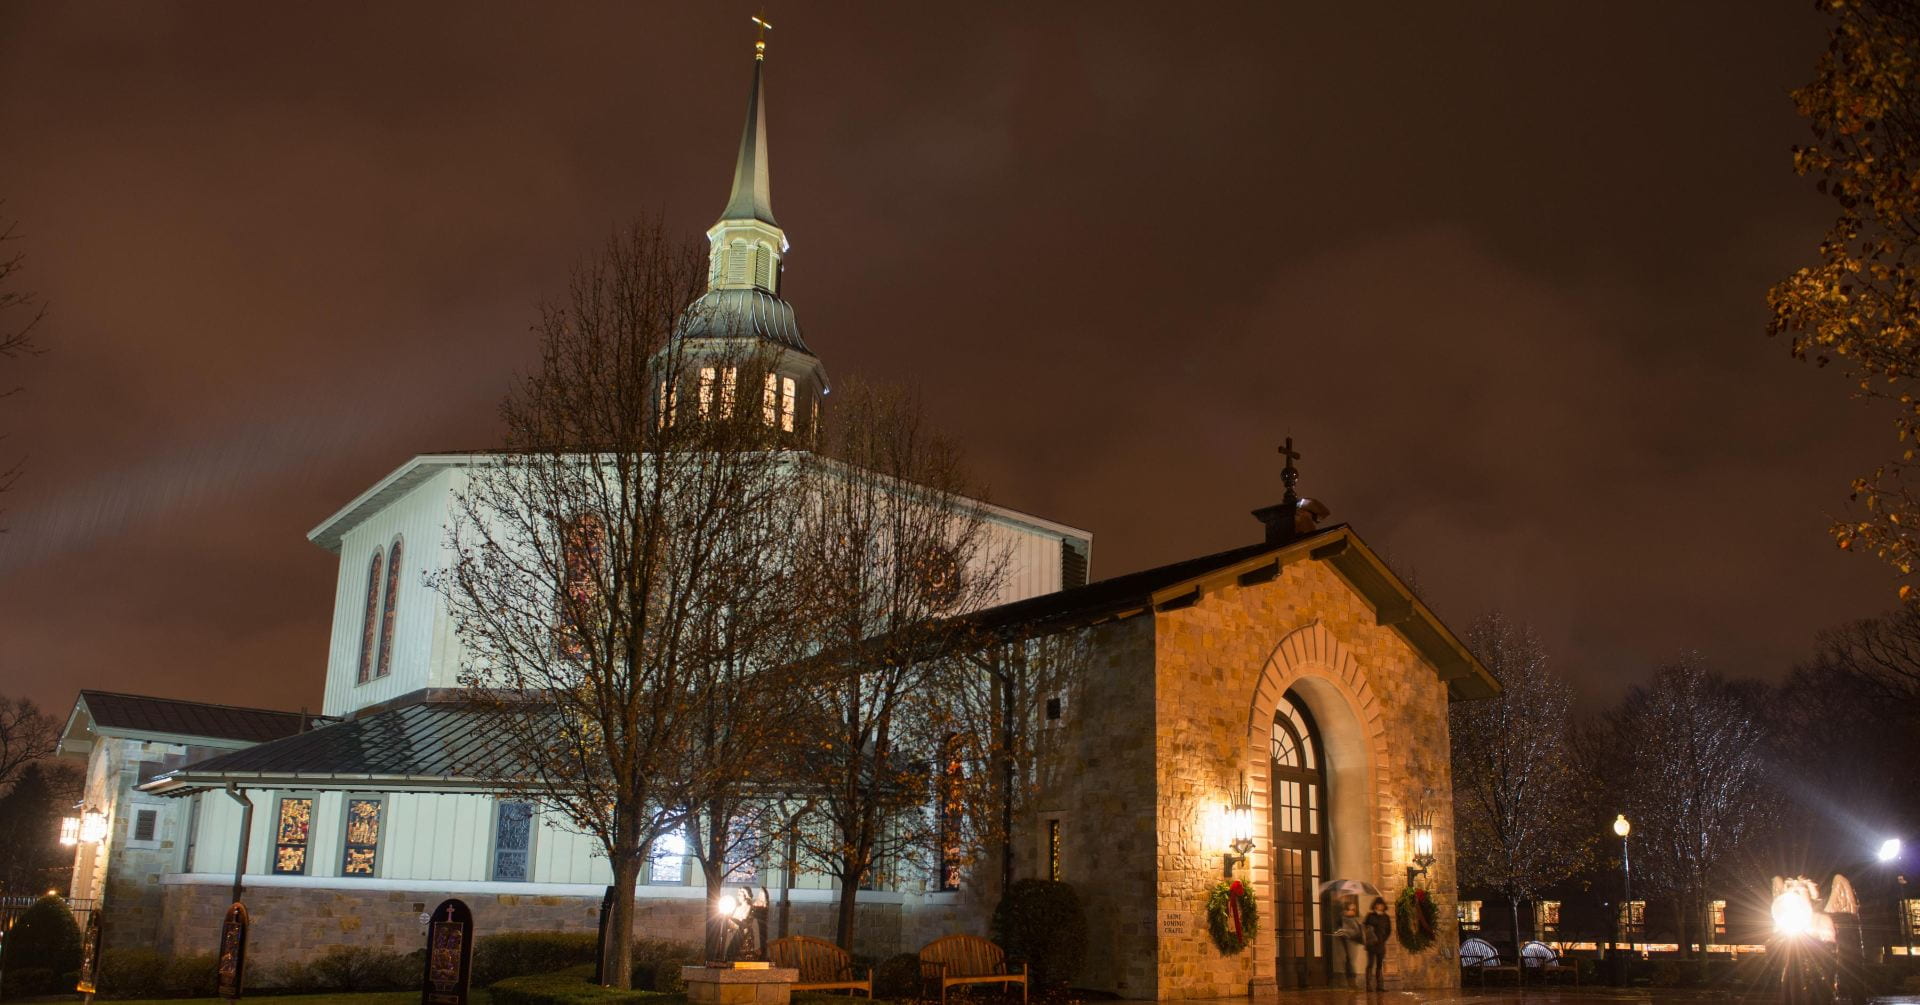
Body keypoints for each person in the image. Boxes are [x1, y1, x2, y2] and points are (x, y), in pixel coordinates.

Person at [1334, 898, 1366, 989]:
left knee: (1351, 960)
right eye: (1351, 909)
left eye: (1354, 910)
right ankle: (1351, 982)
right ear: (1346, 910)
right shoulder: (1343, 918)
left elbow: (1359, 927)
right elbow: (1341, 929)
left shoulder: (1355, 918)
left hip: (1354, 940)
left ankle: (1352, 981)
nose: (1352, 911)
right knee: (1349, 960)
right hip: (1347, 939)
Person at [1363, 896, 1393, 991]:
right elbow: (1365, 928)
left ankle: (1380, 986)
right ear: (1375, 905)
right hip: (1371, 944)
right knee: (1370, 964)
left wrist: (1383, 939)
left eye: (1381, 905)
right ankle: (1368, 986)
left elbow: (1389, 930)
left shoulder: (1386, 917)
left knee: (1379, 965)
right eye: (1378, 905)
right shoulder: (1370, 916)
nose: (1380, 906)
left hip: (1381, 944)